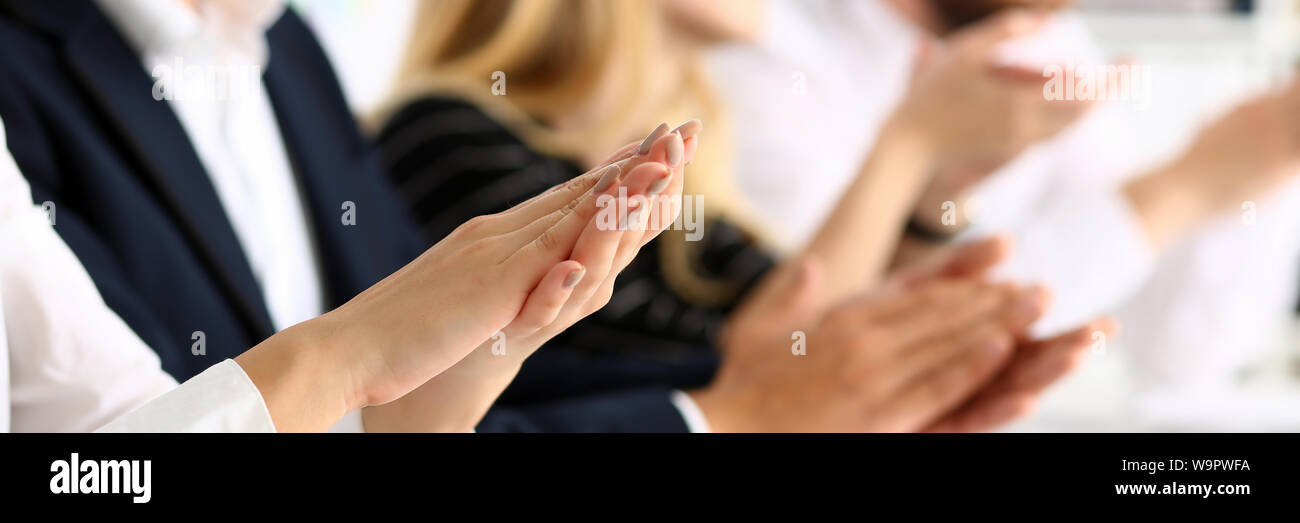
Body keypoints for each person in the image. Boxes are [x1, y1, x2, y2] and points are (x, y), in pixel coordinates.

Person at [375, 0, 1109, 431]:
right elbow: (771, 371)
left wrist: (931, 194)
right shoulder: (449, 135)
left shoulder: (696, 178)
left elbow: (806, 354)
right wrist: (909, 144)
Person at [0, 0, 699, 432]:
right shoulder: (18, 67)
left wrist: (421, 399)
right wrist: (350, 356)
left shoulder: (291, 51)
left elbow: (118, 425)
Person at [709, 0, 1300, 413]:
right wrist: (1183, 189)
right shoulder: (760, 49)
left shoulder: (1047, 41)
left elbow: (1179, 355)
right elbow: (825, 363)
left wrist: (1267, 153)